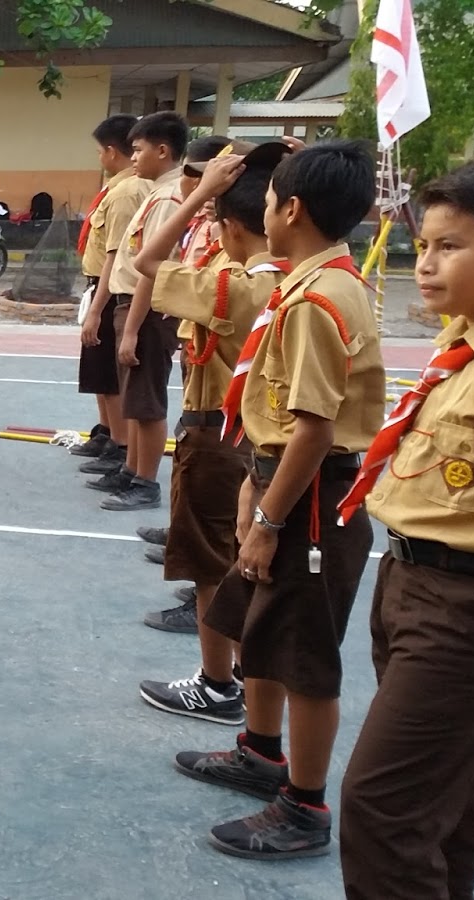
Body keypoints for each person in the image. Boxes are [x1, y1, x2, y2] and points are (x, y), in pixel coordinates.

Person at [177, 141, 382, 860]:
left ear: (290, 210)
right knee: (261, 628)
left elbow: (316, 429)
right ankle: (261, 752)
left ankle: (304, 803)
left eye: (268, 199)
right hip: (280, 478)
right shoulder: (310, 284)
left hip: (311, 496)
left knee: (305, 655)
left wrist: (268, 519)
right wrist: (252, 486)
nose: (261, 209)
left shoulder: (319, 300)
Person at [338, 161, 474, 898]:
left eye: (450, 247)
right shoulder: (461, 339)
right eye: (423, 246)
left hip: (459, 607)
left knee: (383, 808)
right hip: (409, 579)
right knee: (448, 810)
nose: (424, 264)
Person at [131, 143, 292, 722]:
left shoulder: (235, 284)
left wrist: (198, 194)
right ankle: (243, 683)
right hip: (259, 439)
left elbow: (148, 260)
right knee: (241, 565)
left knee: (210, 565)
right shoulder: (295, 277)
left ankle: (218, 682)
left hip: (218, 437)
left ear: (231, 227)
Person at [97, 111, 190, 511]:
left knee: (147, 401)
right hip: (133, 305)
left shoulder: (168, 199)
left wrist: (132, 329)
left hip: (146, 310)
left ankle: (145, 482)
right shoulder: (156, 193)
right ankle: (132, 470)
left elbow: (152, 270)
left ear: (163, 151)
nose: (133, 157)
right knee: (135, 400)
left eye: (138, 150)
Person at [73, 115, 150, 470]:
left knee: (109, 372)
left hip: (110, 289)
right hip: (99, 285)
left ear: (110, 151)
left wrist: (95, 309)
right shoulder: (116, 188)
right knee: (98, 371)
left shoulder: (126, 193)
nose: (98, 157)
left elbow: (114, 255)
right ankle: (107, 432)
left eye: (99, 151)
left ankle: (119, 446)